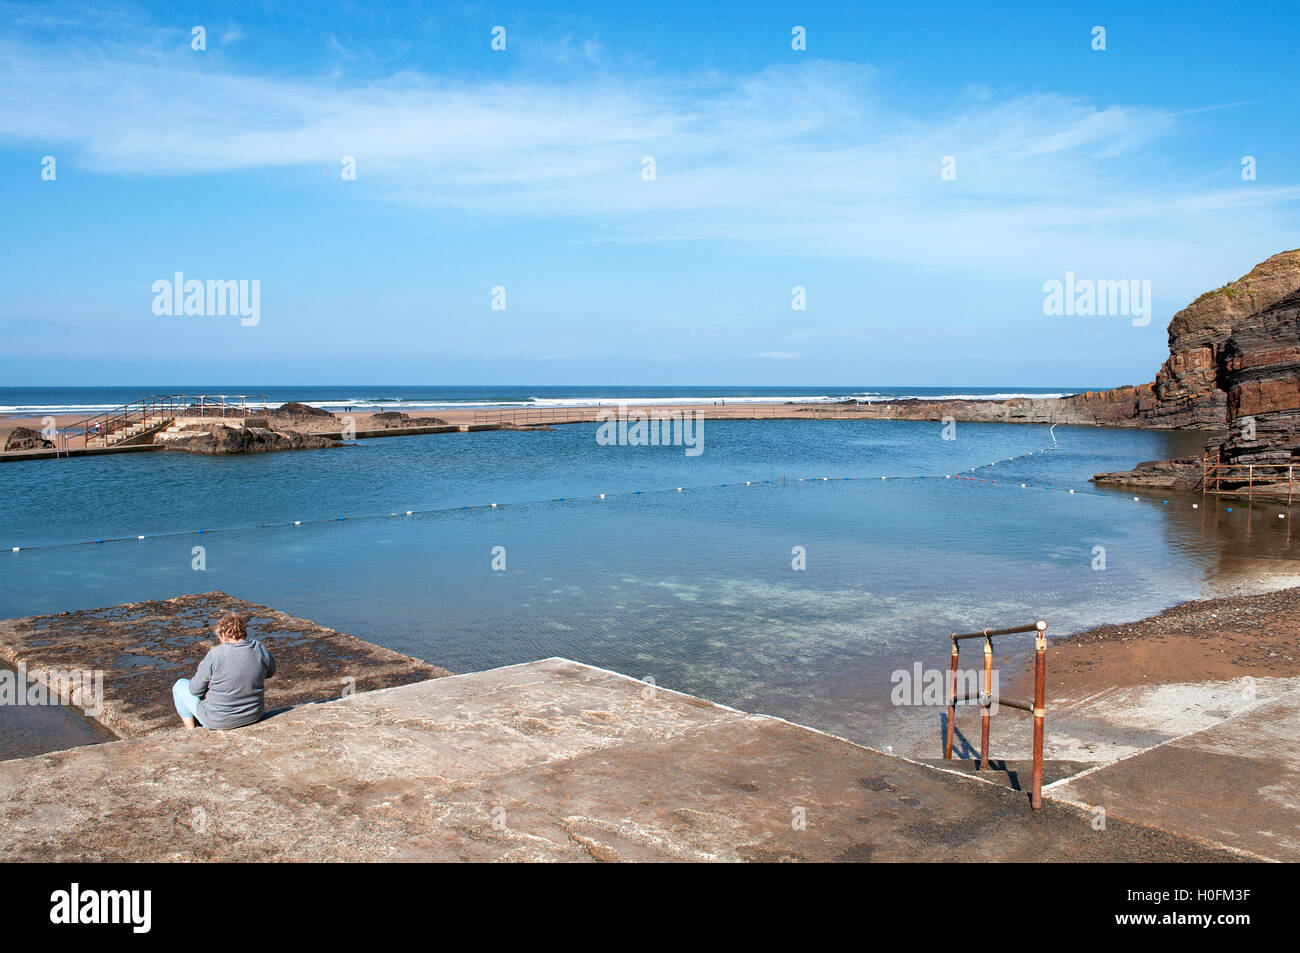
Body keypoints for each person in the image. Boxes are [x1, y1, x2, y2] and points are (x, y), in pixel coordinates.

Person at [172, 613, 276, 730]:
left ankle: (191, 731)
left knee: (179, 685)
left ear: (223, 635)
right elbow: (270, 672)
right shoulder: (259, 648)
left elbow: (195, 690)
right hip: (254, 714)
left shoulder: (216, 654)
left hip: (218, 720)